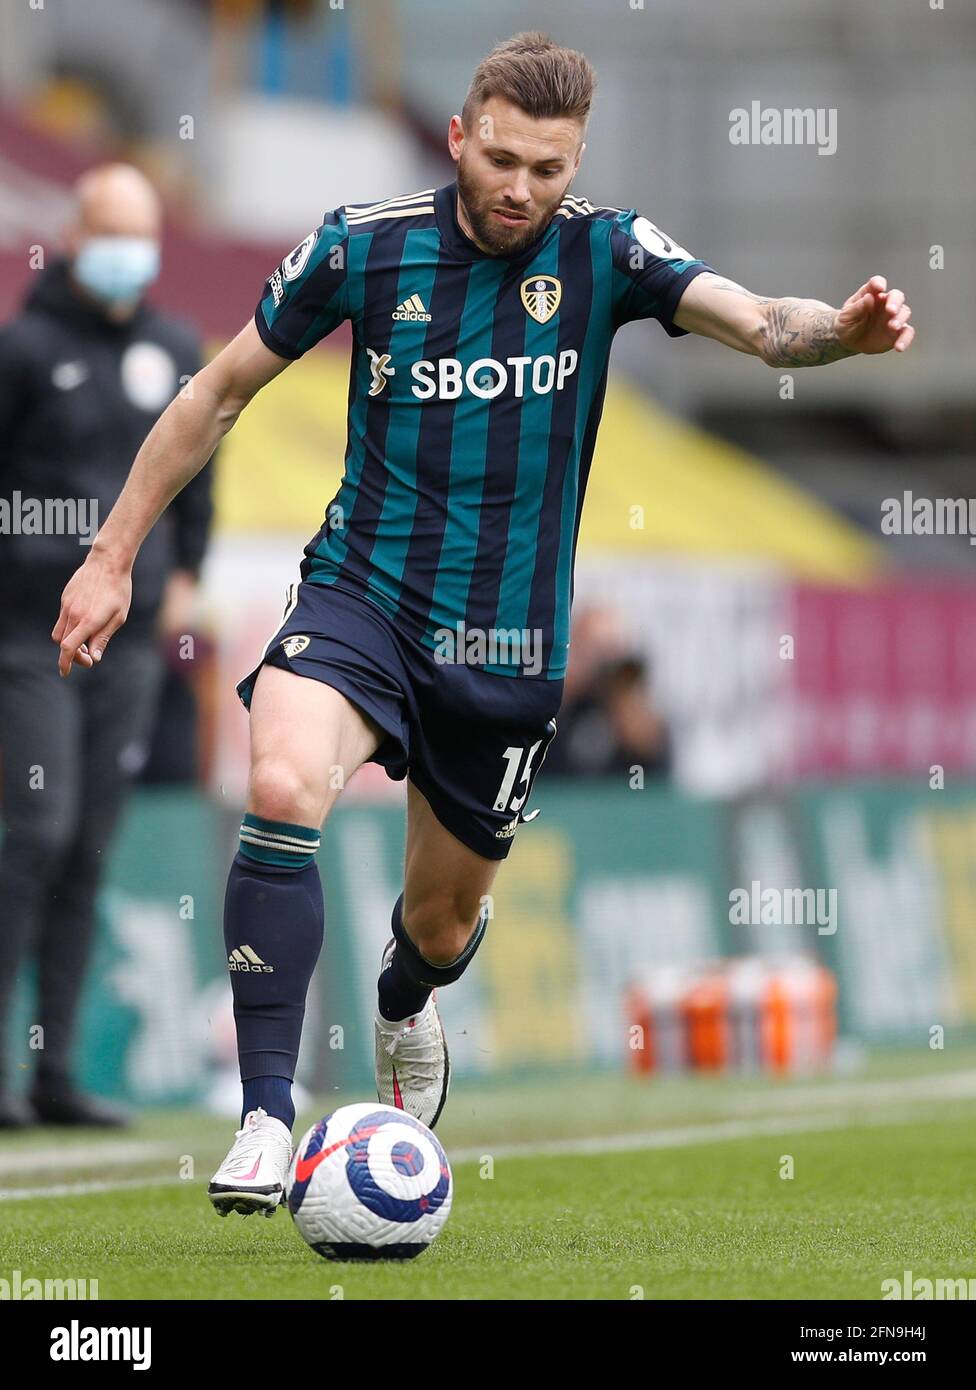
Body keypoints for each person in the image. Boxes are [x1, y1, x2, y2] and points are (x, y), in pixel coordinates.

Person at [52, 32, 914, 1210]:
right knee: (283, 786)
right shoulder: (364, 244)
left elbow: (761, 322)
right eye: (500, 158)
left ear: (575, 164)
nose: (519, 189)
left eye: (546, 169)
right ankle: (263, 1112)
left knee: (443, 920)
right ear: (458, 136)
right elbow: (215, 392)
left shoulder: (607, 251)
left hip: (505, 646)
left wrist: (841, 336)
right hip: (361, 594)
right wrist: (112, 554)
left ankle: (405, 1002)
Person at [0, 164, 214, 1128]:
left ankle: (53, 1075)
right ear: (76, 237)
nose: (131, 254)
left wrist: (185, 573)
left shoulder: (174, 348)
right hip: (25, 633)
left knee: (86, 846)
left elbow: (201, 473)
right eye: (114, 233)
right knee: (38, 834)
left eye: (146, 234)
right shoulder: (23, 349)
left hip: (126, 646)